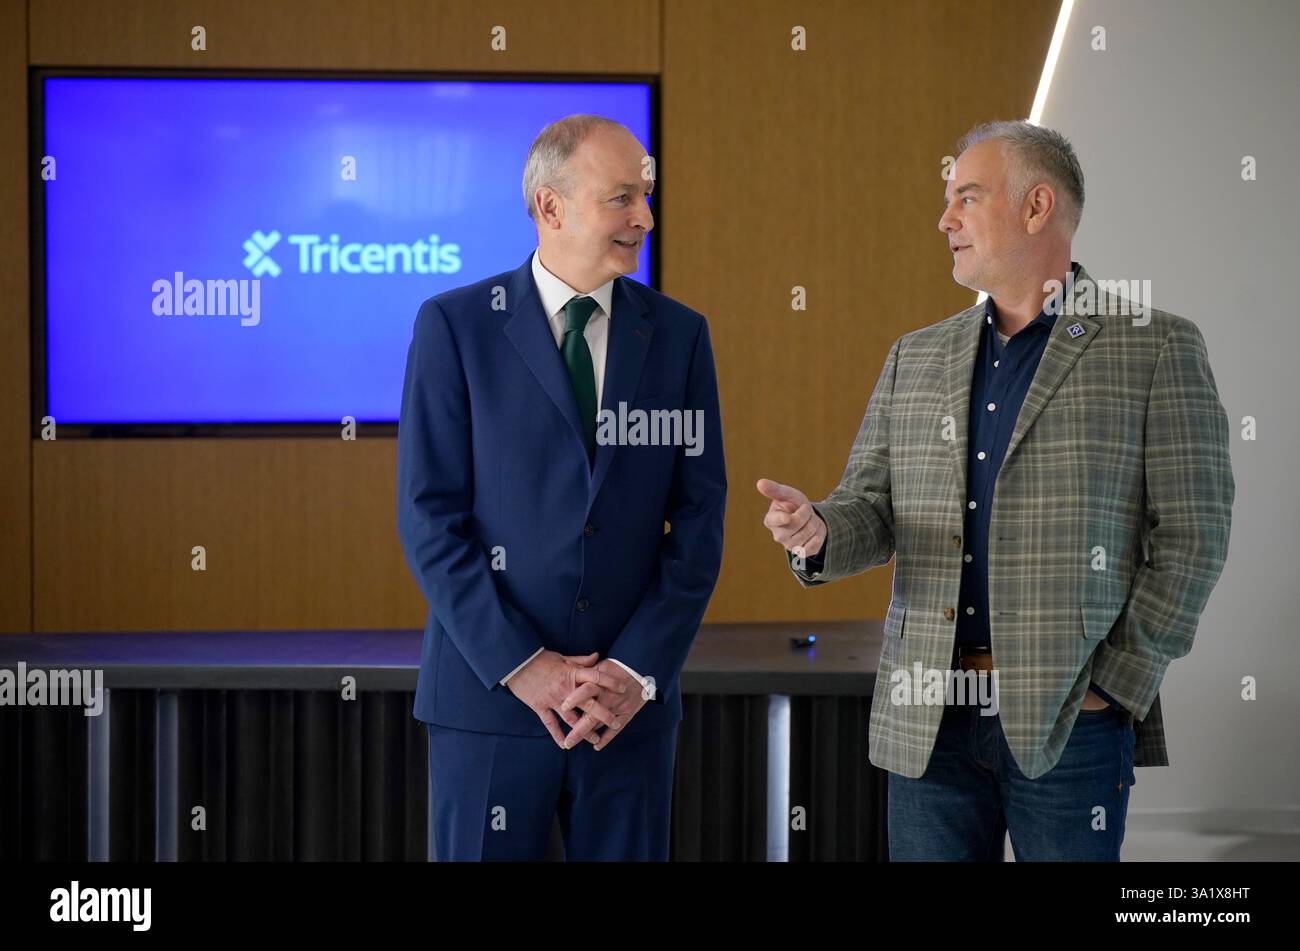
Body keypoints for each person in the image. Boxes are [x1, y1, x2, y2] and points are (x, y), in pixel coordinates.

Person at [758, 119, 1233, 861]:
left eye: (966, 197)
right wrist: (818, 530)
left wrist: (1115, 684)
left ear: (1037, 207)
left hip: (1072, 721)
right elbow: (872, 508)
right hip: (928, 724)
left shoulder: (1155, 346)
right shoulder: (915, 356)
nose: (944, 219)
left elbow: (1193, 536)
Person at [398, 114, 726, 861]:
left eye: (645, 196)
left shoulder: (679, 336)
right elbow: (428, 517)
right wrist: (525, 665)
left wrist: (634, 669)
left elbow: (700, 517)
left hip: (627, 712)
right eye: (622, 198)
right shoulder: (455, 326)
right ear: (551, 207)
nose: (644, 217)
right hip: (489, 704)